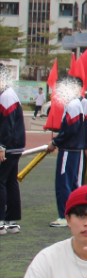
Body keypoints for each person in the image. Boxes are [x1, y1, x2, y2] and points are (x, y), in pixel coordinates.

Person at [46, 76, 86, 228]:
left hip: (69, 150)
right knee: (71, 183)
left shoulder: (73, 105)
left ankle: (64, 216)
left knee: (64, 183)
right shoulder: (75, 103)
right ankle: (75, 215)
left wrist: (55, 142)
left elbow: (71, 129)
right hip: (72, 149)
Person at [0, 83, 25, 235]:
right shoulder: (8, 94)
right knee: (10, 182)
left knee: (1, 181)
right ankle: (11, 221)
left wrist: (1, 146)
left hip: (8, 147)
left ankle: (1, 221)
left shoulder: (6, 96)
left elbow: (6, 125)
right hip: (14, 146)